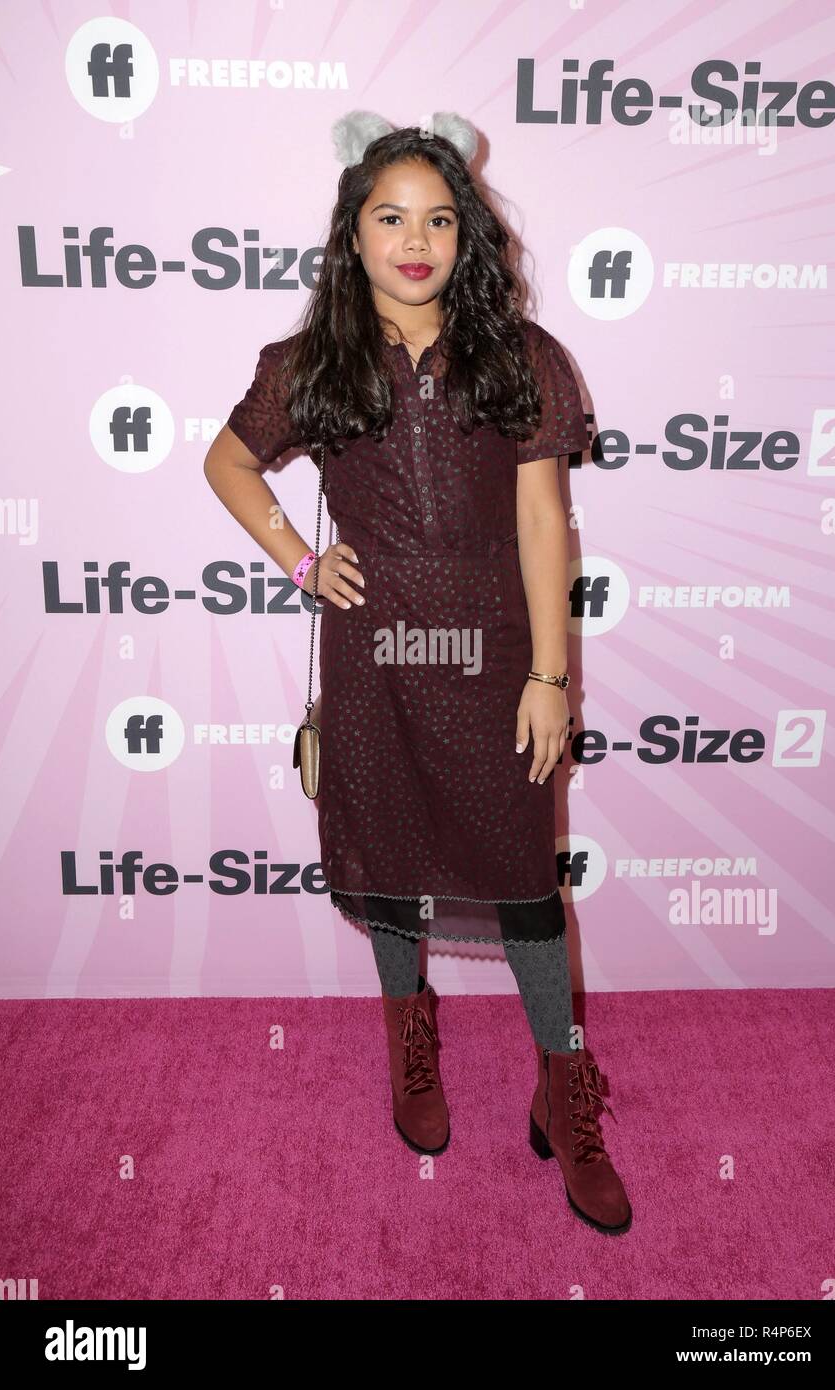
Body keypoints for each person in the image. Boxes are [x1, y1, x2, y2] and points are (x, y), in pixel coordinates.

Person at [204, 110, 631, 1235]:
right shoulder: (309, 363)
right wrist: (301, 559)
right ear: (352, 233)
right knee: (388, 857)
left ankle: (562, 1080)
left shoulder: (524, 358)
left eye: (438, 219)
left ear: (466, 237)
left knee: (528, 892)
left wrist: (549, 676)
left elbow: (544, 523)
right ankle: (409, 1044)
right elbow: (228, 460)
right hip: (375, 656)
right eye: (390, 217)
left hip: (494, 661)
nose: (415, 239)